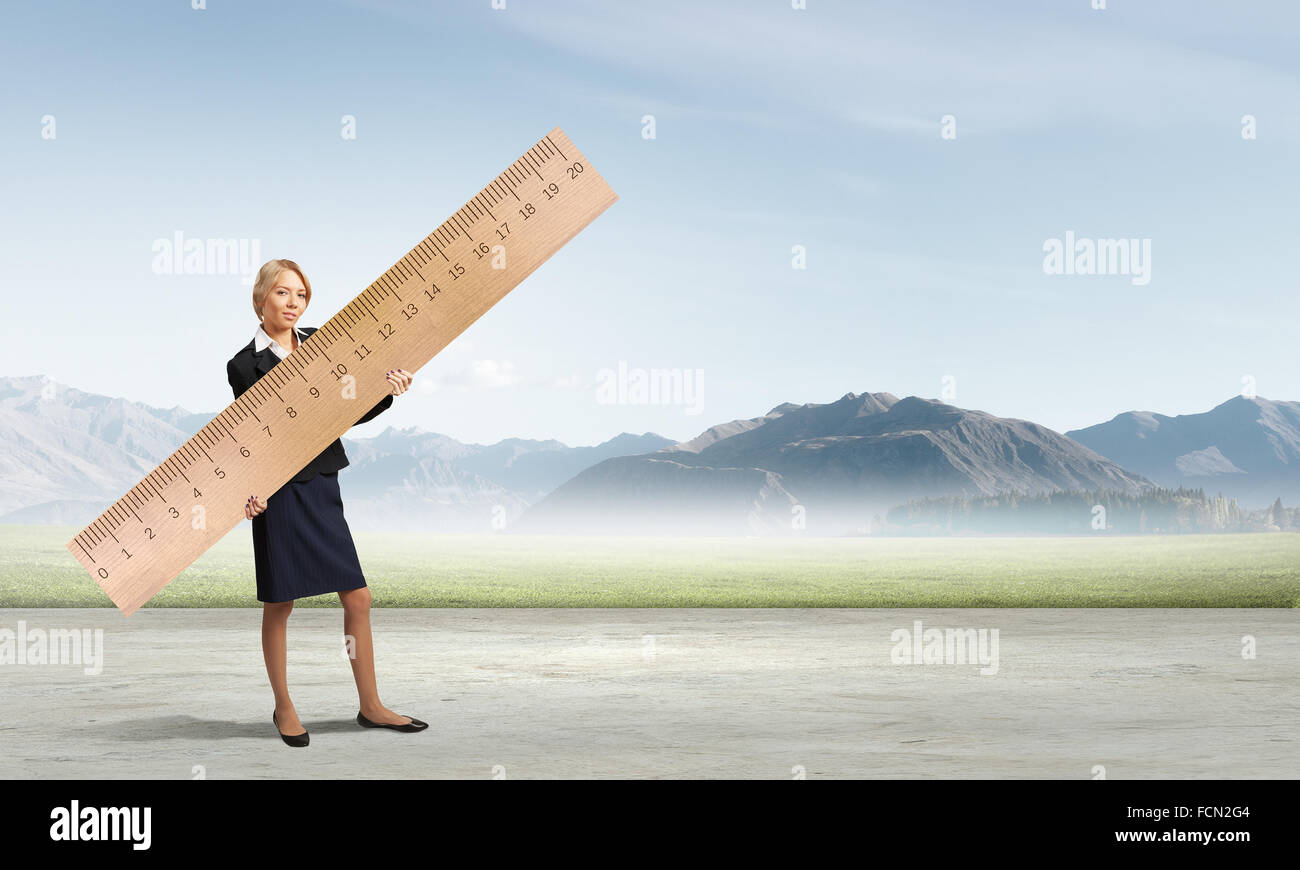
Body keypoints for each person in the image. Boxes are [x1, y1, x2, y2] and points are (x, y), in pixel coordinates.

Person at [226, 258, 426, 747]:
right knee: (280, 603)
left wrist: (388, 387)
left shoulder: (323, 342)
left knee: (358, 596)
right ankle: (284, 706)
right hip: (277, 490)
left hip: (321, 481)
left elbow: (349, 405)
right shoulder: (242, 365)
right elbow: (252, 435)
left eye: (301, 295)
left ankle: (371, 705)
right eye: (282, 294)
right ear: (260, 298)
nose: (293, 304)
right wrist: (246, 492)